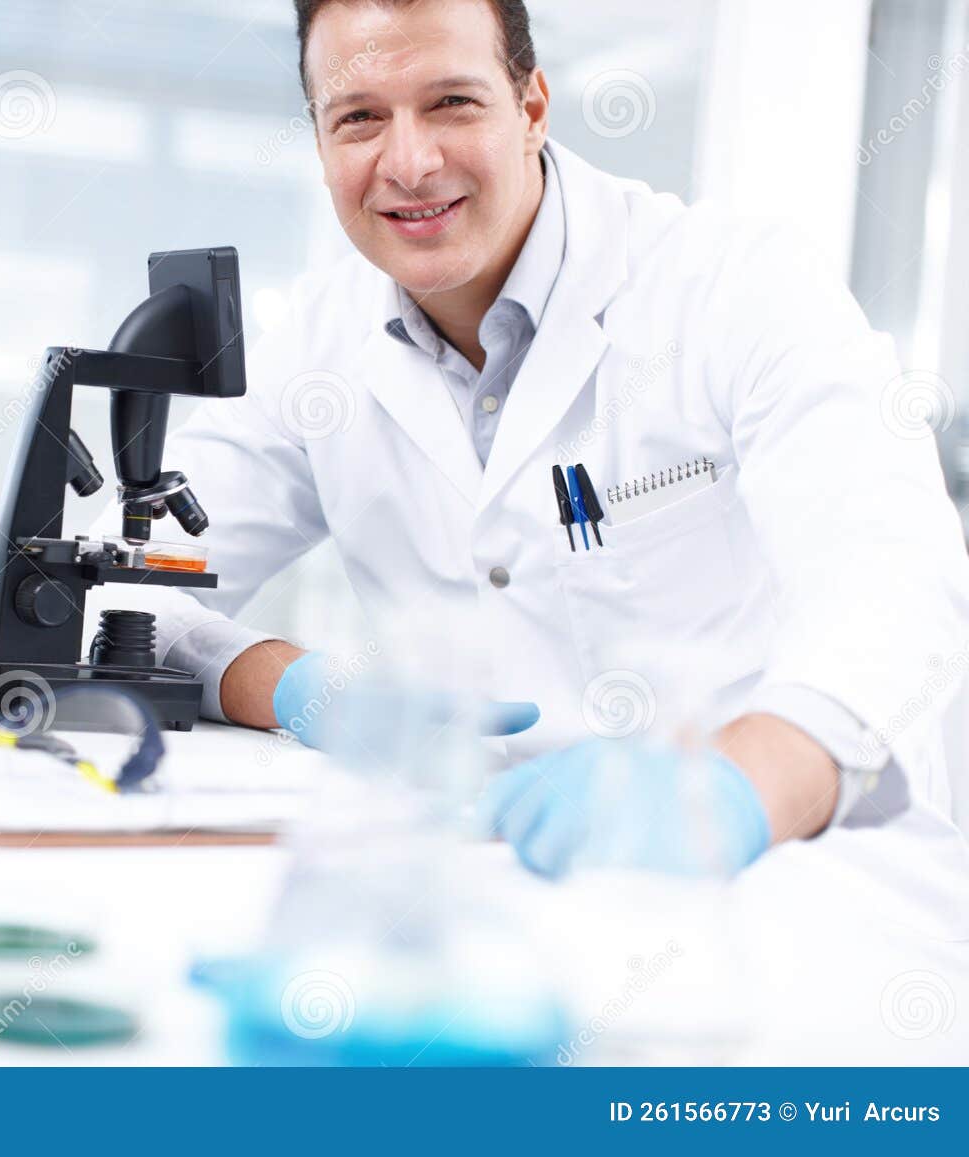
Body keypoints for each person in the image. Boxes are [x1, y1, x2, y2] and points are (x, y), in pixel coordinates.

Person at [88, 0, 969, 890]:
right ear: (320, 143)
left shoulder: (737, 288)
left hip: (775, 884)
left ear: (533, 108)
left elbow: (897, 584)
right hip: (481, 885)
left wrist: (731, 788)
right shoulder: (318, 349)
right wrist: (281, 682)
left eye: (452, 104)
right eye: (359, 117)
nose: (409, 163)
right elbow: (109, 592)